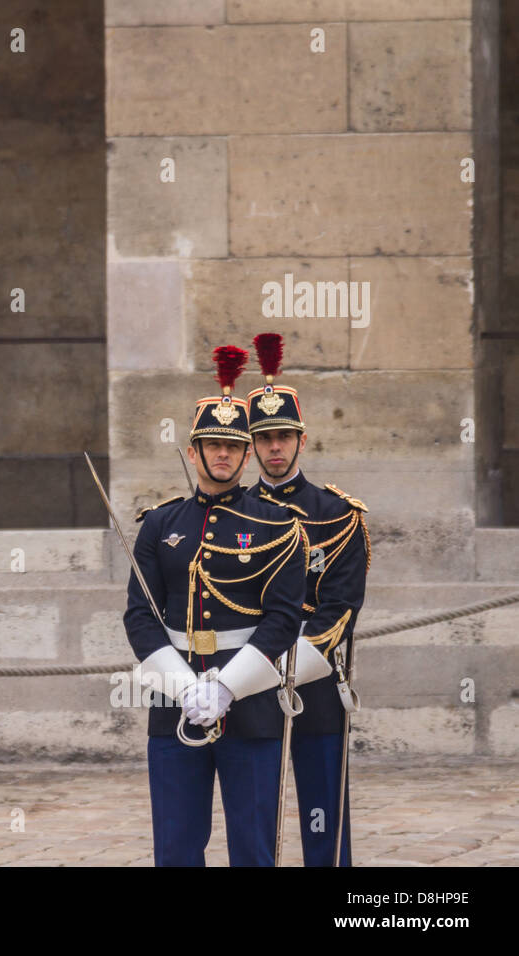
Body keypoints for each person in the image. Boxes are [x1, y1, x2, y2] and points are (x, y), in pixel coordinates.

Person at [124, 345, 306, 866]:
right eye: (211, 444)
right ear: (192, 450)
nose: (222, 455)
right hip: (175, 700)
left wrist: (227, 686)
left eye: (232, 446)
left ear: (246, 454)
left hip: (249, 701)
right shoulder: (160, 525)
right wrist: (186, 687)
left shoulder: (276, 525)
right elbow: (140, 615)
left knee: (252, 846)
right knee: (177, 846)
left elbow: (283, 619)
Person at [244, 333, 370, 867]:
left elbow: (340, 607)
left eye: (284, 436)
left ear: (302, 439)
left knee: (324, 818)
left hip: (314, 680)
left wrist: (288, 663)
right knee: (252, 820)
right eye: (265, 437)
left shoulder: (338, 515)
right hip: (245, 683)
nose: (275, 446)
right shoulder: (231, 513)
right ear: (251, 444)